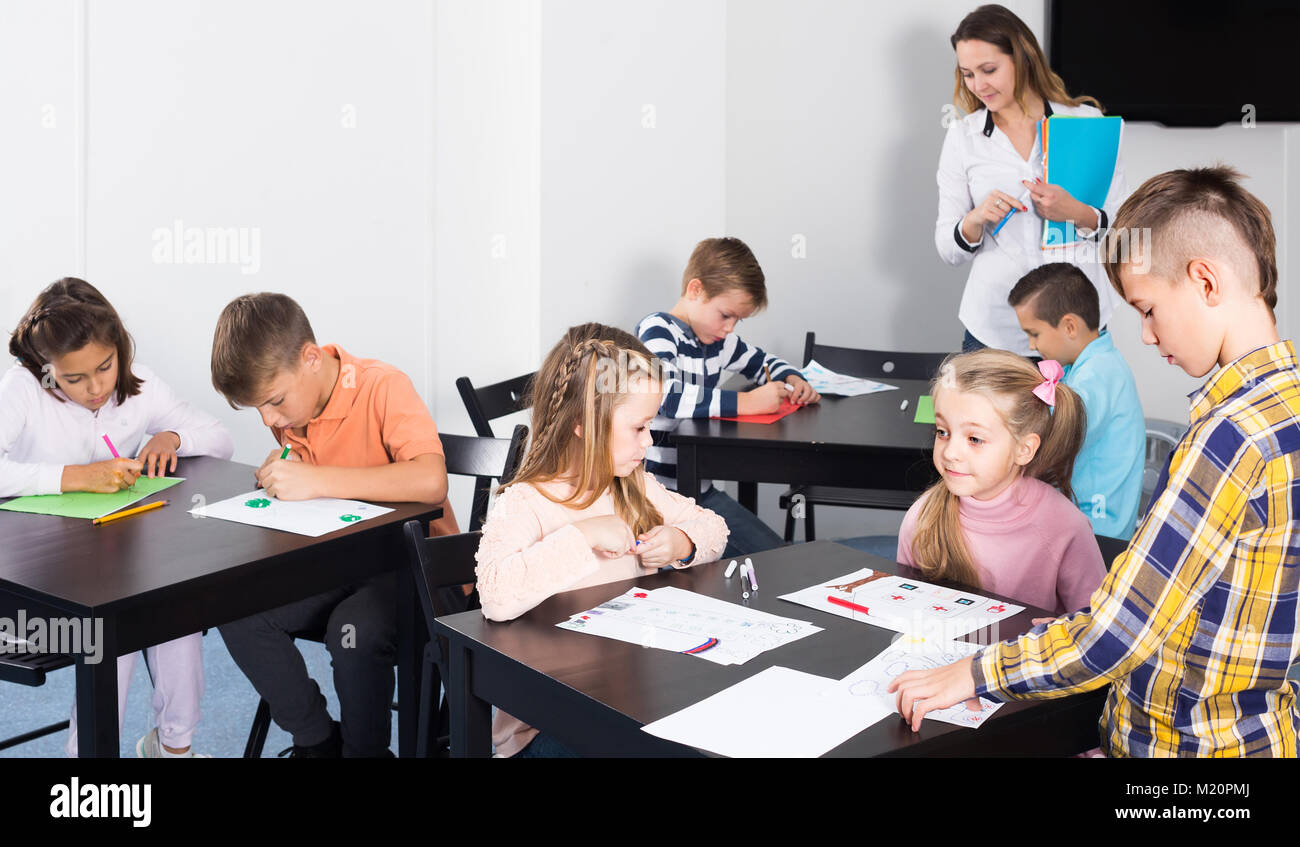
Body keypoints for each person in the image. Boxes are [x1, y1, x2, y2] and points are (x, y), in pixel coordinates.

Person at [892, 166, 1300, 757]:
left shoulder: (1230, 437)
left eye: (1149, 309)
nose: (1148, 335)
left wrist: (972, 674)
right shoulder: (1285, 405)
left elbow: (1118, 633)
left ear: (1205, 281)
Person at [210, 292, 455, 757]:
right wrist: (285, 473)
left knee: (355, 633)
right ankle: (318, 740)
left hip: (416, 572)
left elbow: (431, 481)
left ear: (310, 358)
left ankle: (366, 752)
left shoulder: (383, 386)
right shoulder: (290, 414)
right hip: (336, 565)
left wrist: (317, 480)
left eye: (274, 401)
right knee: (234, 607)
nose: (269, 418)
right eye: (258, 409)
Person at [2, 277, 233, 757]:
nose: (95, 388)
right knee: (114, 627)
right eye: (73, 378)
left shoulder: (139, 386)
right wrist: (73, 476)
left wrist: (171, 437)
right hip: (27, 589)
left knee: (179, 611)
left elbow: (217, 436)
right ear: (46, 370)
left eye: (105, 368)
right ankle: (86, 759)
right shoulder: (21, 391)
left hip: (111, 576)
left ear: (120, 352)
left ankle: (174, 748)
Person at [475, 323, 728, 757]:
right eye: (638, 428)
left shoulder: (632, 486)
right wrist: (582, 536)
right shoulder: (526, 502)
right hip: (541, 724)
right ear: (581, 425)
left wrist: (681, 541)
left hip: (626, 700)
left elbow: (715, 528)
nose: (649, 442)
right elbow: (495, 597)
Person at [936, 3, 1126, 355]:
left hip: (1076, 328)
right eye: (968, 74)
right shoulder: (963, 137)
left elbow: (1125, 231)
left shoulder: (1086, 123)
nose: (978, 85)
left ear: (1022, 57)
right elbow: (948, 250)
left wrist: (1077, 212)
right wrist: (975, 220)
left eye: (988, 69)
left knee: (1077, 414)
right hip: (995, 330)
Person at [636, 236, 817, 558]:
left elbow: (763, 361)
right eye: (725, 315)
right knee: (685, 571)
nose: (730, 328)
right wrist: (748, 403)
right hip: (654, 500)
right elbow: (666, 395)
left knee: (778, 557)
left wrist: (792, 377)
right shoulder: (658, 331)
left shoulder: (718, 342)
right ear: (696, 291)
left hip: (700, 494)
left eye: (738, 320)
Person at [895, 349, 1104, 615]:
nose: (950, 453)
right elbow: (904, 614)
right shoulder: (922, 518)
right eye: (943, 432)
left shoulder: (1065, 527)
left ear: (1024, 449)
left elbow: (1095, 629)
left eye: (974, 439)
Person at [1009, 262, 1145, 539]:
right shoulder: (1086, 367)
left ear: (1069, 326)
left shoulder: (1098, 374)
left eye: (1034, 334)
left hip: (1096, 532)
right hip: (1087, 524)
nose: (1032, 346)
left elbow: (1055, 438)